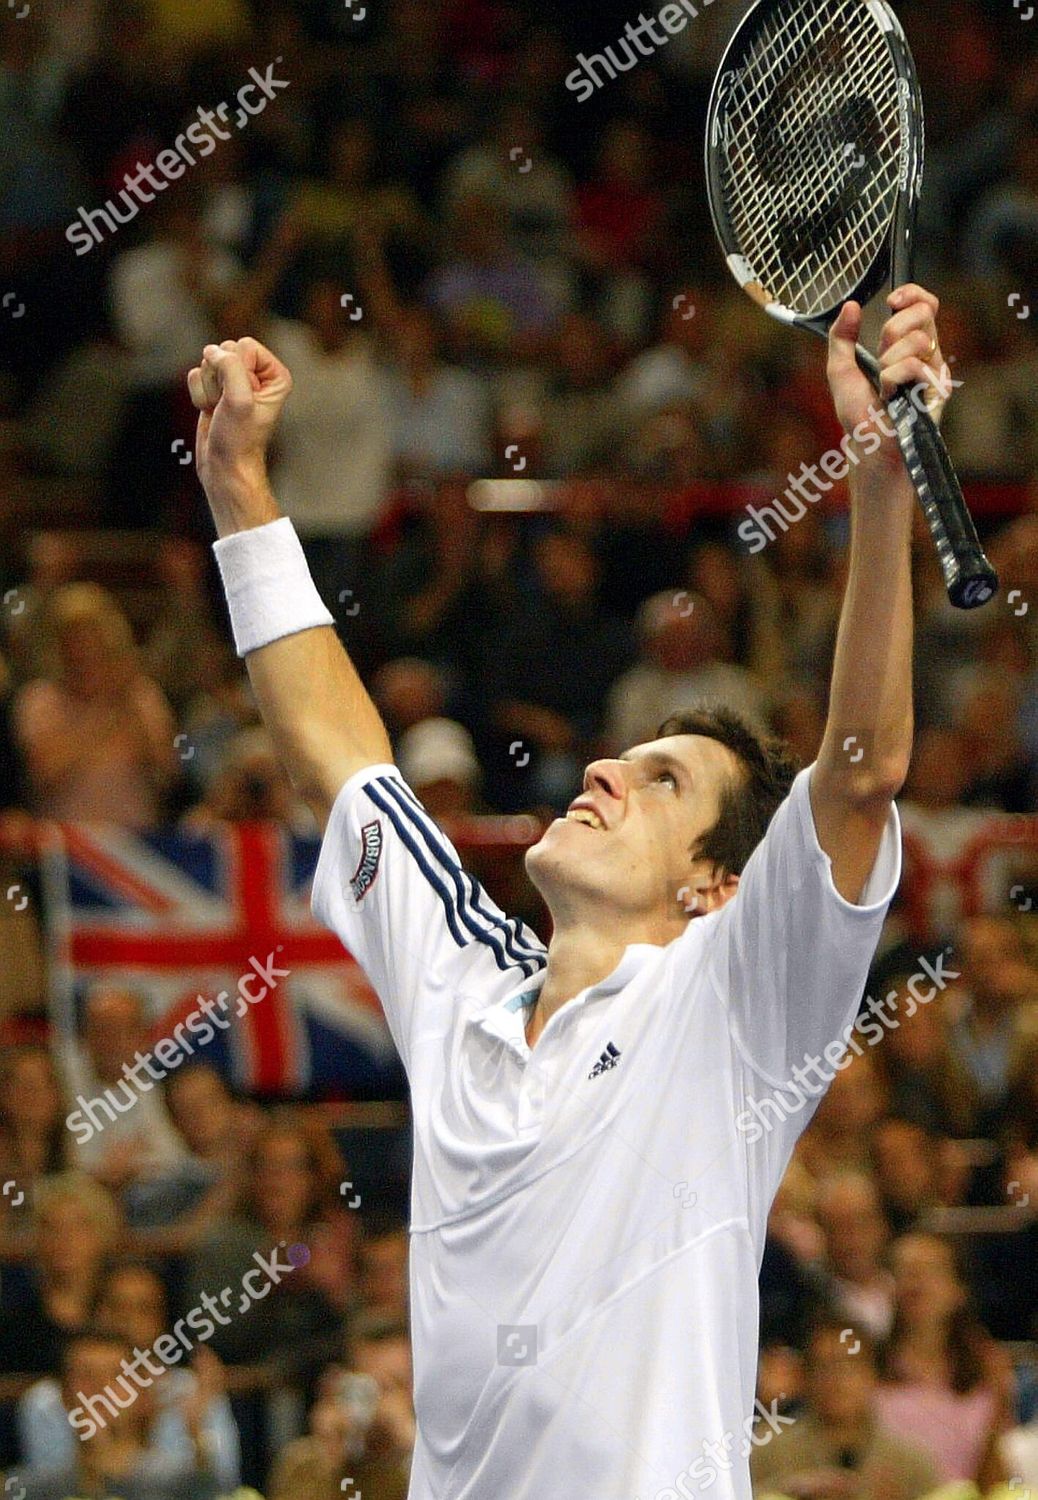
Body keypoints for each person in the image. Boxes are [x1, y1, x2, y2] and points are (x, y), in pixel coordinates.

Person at [187, 281, 943, 1499]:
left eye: (658, 782)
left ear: (715, 889)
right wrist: (240, 495)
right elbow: (339, 756)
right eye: (621, 755)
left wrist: (878, 484)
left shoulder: (734, 1006)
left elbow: (862, 776)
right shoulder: (463, 978)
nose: (603, 769)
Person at [749, 1321, 940, 1500]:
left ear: (873, 1375)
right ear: (806, 1377)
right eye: (824, 1367)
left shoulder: (910, 1460)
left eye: (849, 1366)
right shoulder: (768, 1449)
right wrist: (788, 1491)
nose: (837, 1379)